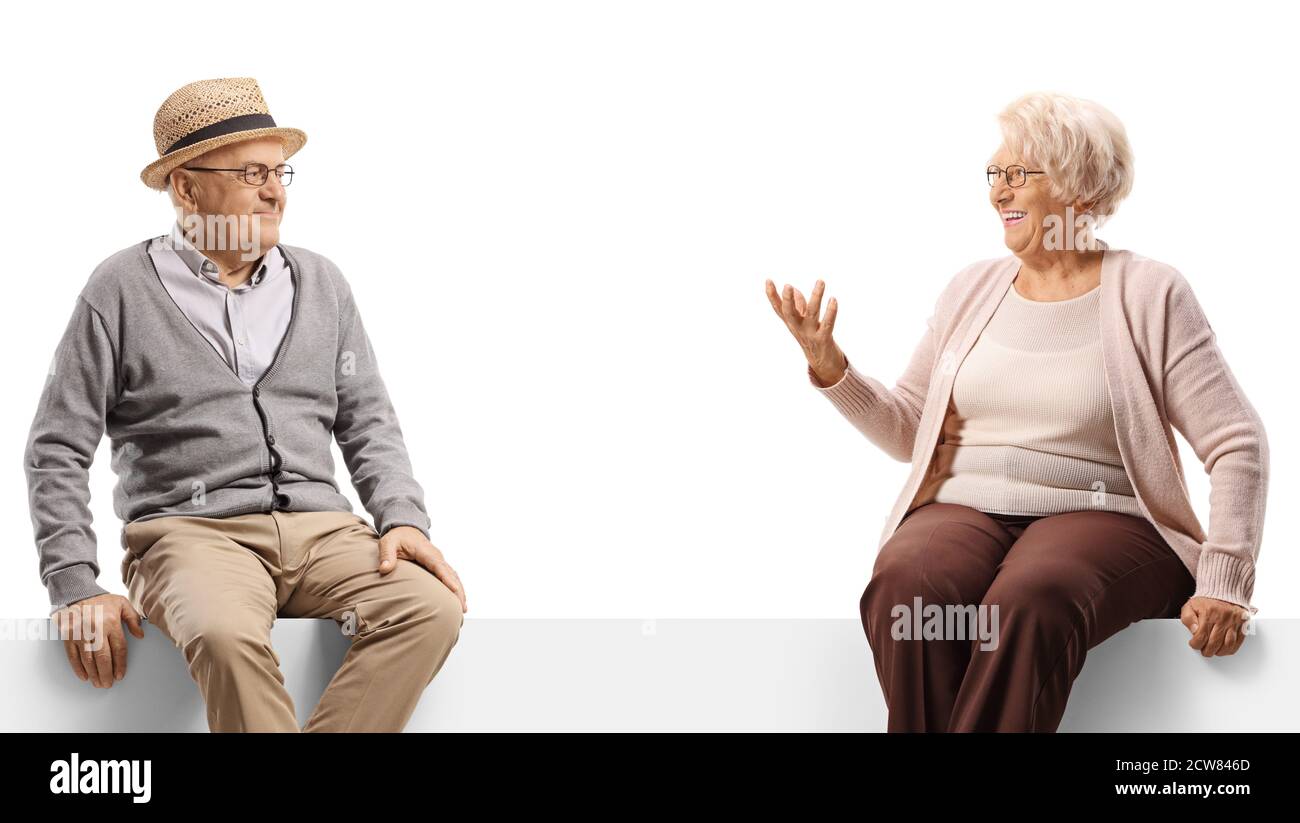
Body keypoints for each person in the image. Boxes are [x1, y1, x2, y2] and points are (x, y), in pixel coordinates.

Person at [765, 90, 1268, 732]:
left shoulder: (1149, 292)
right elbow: (909, 430)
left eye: (1016, 175)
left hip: (1103, 515)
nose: (997, 192)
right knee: (907, 584)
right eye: (993, 174)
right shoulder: (971, 289)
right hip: (965, 507)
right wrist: (833, 371)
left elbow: (1237, 442)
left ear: (1078, 190)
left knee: (1027, 598)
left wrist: (1225, 580)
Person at [24, 77, 467, 732]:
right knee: (223, 633)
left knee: (428, 608)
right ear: (186, 186)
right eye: (253, 171)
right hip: (190, 535)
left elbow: (369, 418)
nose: (275, 190)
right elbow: (56, 446)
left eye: (281, 171)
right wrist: (74, 584)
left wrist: (402, 516)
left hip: (324, 533)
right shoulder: (119, 289)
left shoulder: (321, 280)